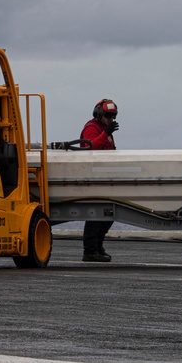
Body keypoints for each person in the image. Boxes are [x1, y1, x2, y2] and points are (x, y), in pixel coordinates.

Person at [81, 98, 119, 262]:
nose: (111, 119)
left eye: (113, 116)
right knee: (95, 213)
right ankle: (90, 250)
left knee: (108, 214)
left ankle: (98, 246)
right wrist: (106, 133)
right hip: (92, 177)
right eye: (108, 116)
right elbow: (90, 147)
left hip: (105, 178)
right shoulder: (92, 128)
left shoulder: (106, 130)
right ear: (99, 114)